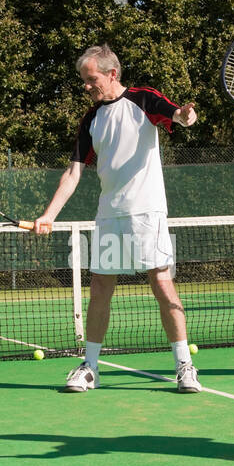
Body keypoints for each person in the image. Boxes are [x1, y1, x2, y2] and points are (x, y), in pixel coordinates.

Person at [33, 44, 201, 393]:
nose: (86, 86)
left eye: (91, 78)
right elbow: (73, 173)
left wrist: (185, 117)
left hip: (147, 212)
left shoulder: (144, 99)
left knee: (162, 283)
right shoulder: (92, 118)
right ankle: (90, 368)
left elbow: (177, 116)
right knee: (99, 290)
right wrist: (49, 214)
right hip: (110, 216)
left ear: (112, 74)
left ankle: (185, 366)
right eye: (83, 79)